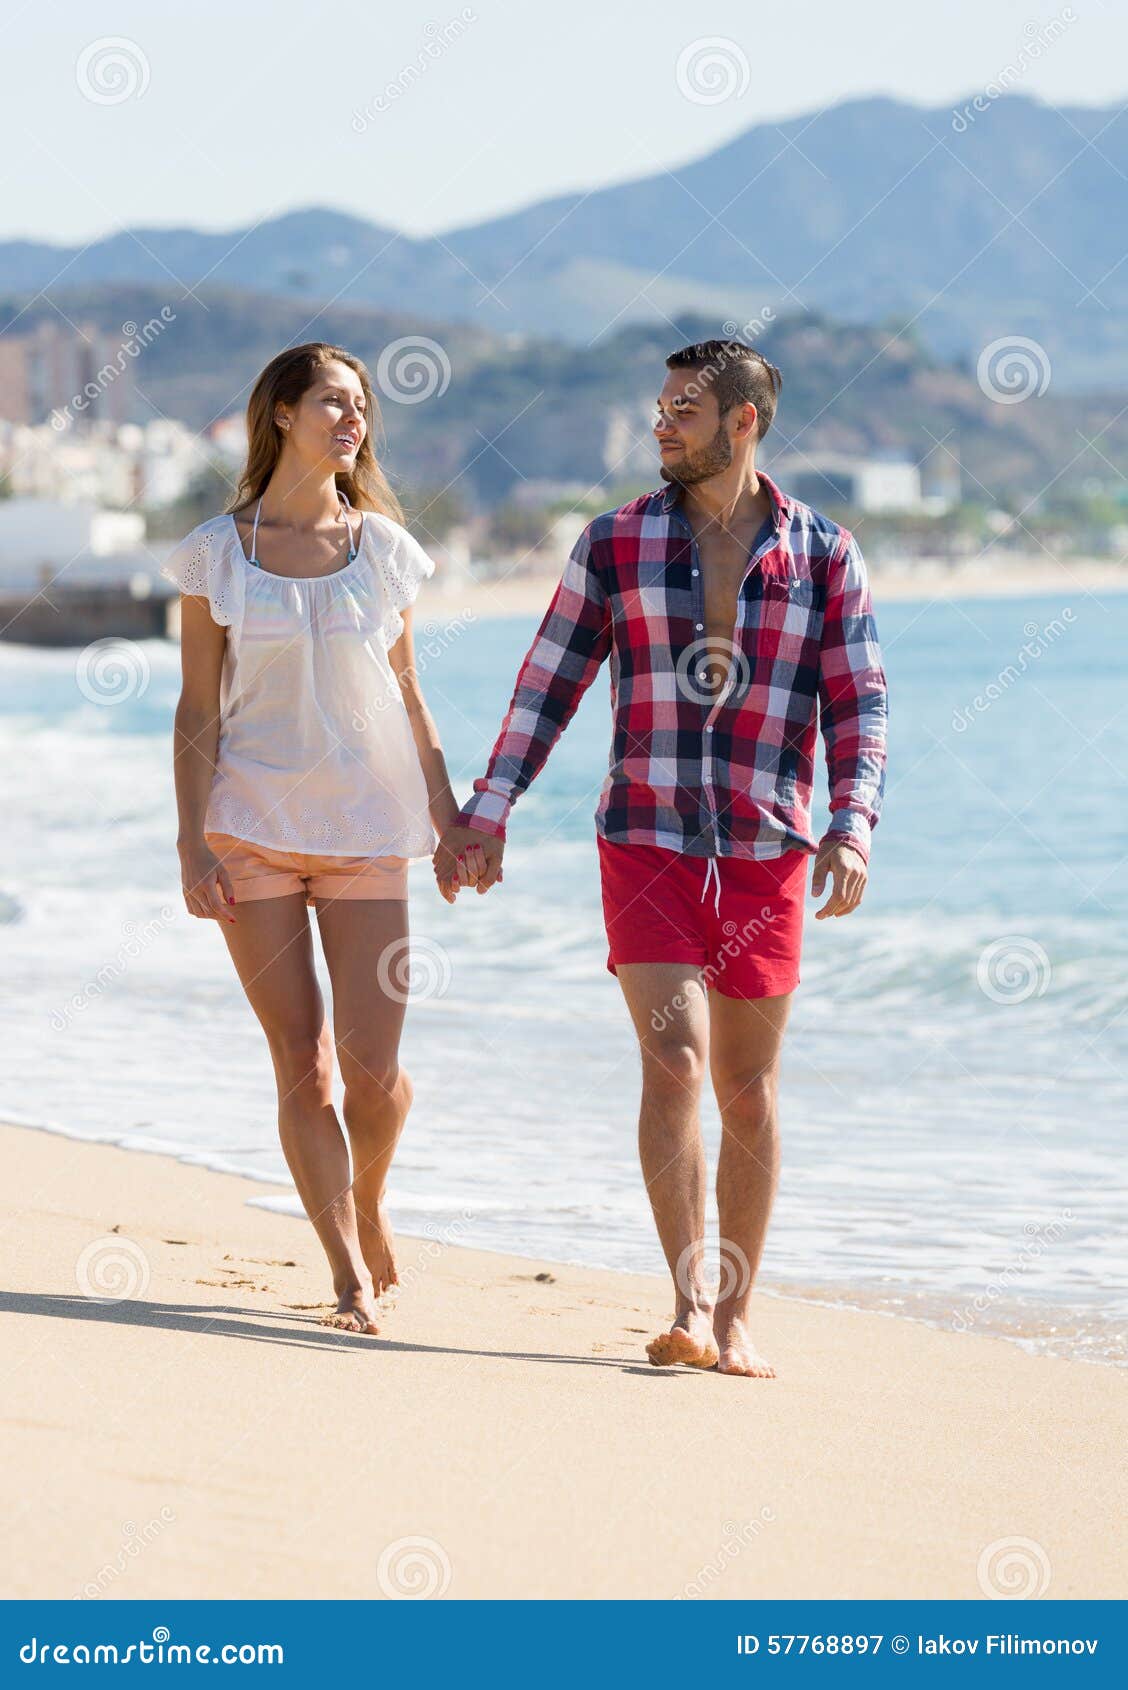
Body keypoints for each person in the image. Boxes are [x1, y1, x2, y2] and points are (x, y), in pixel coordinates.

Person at [435, 339, 888, 1377]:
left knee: (749, 1086)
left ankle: (736, 1317)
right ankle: (687, 1303)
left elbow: (859, 703)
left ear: (742, 421)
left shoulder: (825, 553)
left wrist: (852, 824)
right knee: (675, 1058)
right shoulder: (615, 543)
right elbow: (545, 684)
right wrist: (489, 807)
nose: (660, 425)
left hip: (767, 847)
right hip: (644, 836)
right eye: (657, 408)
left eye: (683, 409)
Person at [164, 342, 459, 1336]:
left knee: (374, 1075)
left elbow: (411, 696)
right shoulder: (217, 553)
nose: (353, 418)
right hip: (251, 830)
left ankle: (367, 1201)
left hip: (370, 832)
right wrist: (191, 843)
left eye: (362, 405)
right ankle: (347, 1275)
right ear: (281, 413)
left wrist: (451, 819)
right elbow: (196, 711)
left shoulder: (384, 550)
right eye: (333, 400)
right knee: (305, 1062)